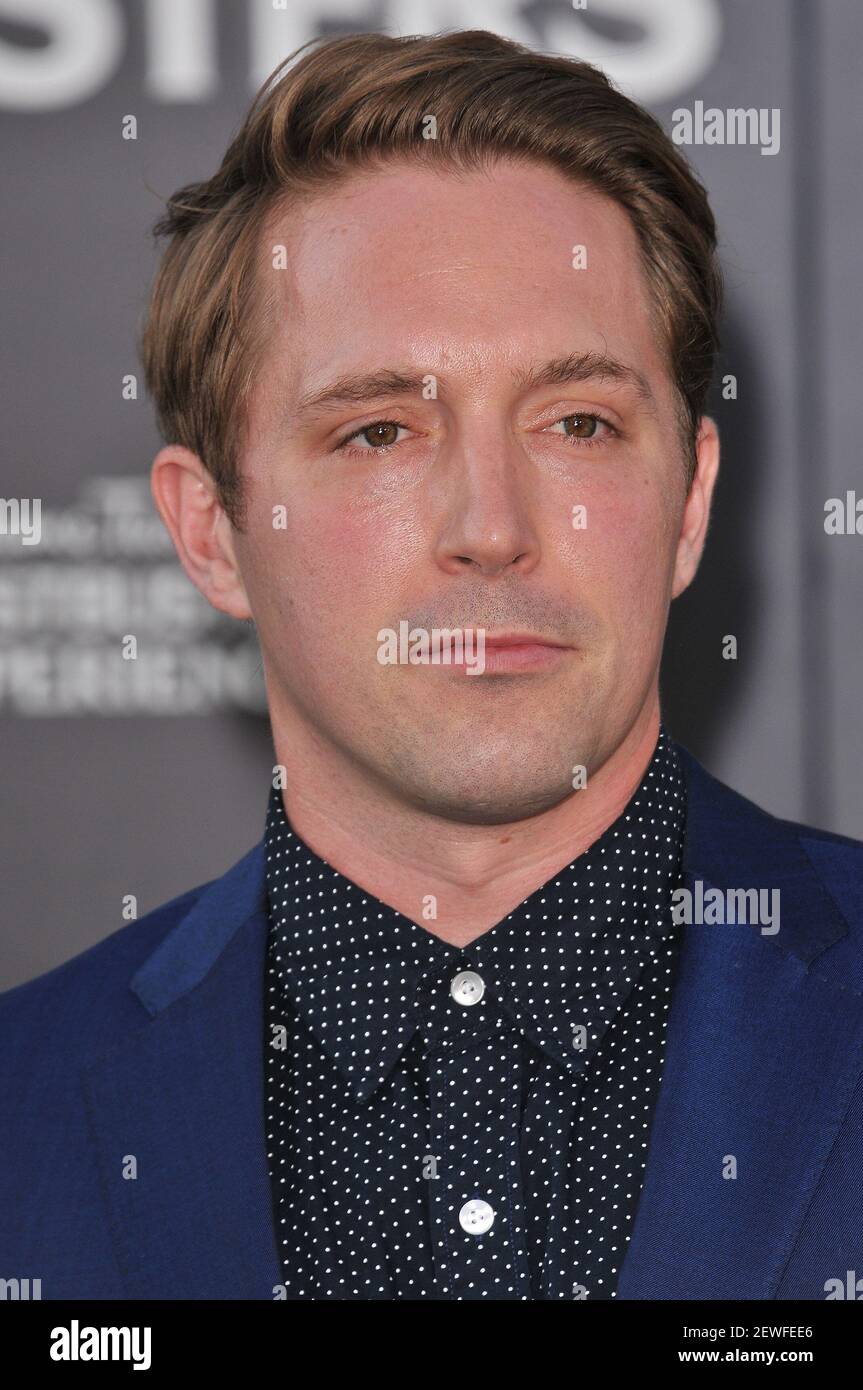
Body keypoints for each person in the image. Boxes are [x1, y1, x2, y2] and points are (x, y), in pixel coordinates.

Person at [2, 29, 862, 1303]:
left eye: (577, 422)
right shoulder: (24, 1110)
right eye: (378, 432)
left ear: (686, 505)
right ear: (211, 532)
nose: (490, 527)